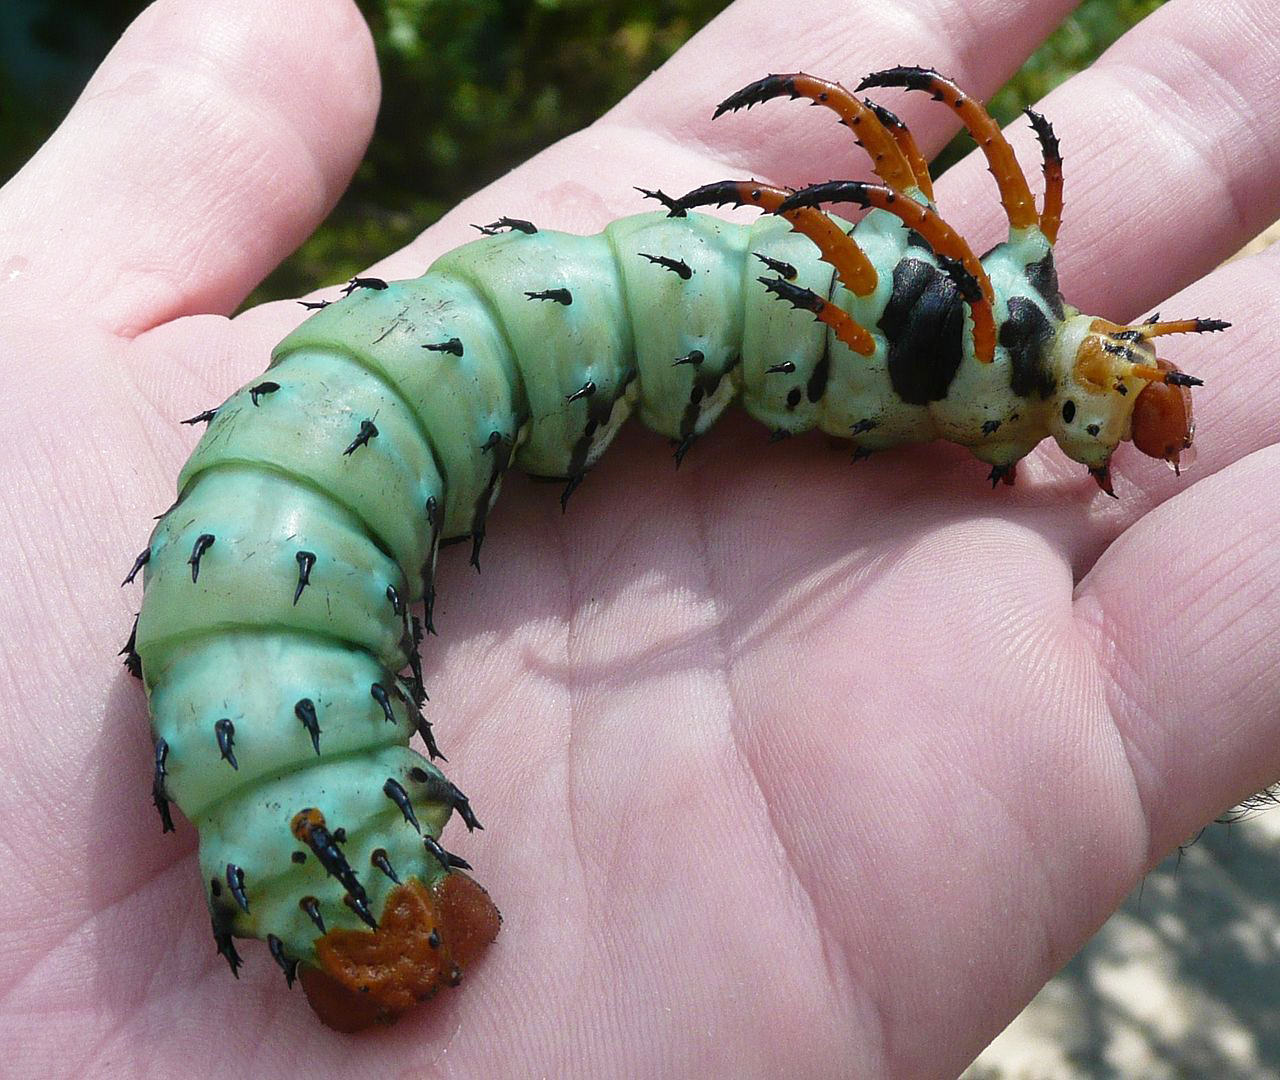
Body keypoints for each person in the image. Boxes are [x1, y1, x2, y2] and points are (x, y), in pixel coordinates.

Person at [1, 0, 1277, 1075]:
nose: (410, 926)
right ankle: (969, 348)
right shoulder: (270, 588)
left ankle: (981, 352)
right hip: (765, 324)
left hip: (791, 325)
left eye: (358, 897)